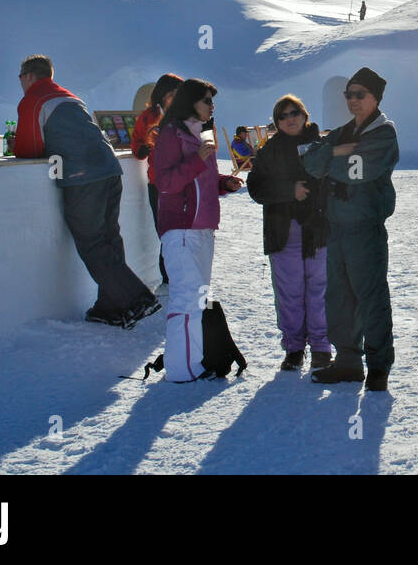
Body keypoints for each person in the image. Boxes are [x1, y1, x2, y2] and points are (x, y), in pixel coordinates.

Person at [13, 54, 158, 327]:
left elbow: (27, 148)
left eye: (20, 76)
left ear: (29, 76)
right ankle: (110, 308)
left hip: (83, 176)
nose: (19, 82)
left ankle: (136, 299)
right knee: (109, 238)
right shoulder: (70, 97)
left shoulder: (35, 98)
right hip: (111, 169)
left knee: (91, 242)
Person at [300, 67, 399, 392]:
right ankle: (348, 362)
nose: (353, 100)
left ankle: (378, 367)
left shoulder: (383, 134)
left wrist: (331, 156)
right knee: (340, 296)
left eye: (360, 94)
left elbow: (359, 171)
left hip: (364, 227)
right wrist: (334, 151)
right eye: (349, 94)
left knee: (370, 297)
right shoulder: (343, 132)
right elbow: (311, 165)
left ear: (375, 98)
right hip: (336, 226)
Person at [153, 79, 245, 381]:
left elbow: (199, 179)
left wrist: (222, 183)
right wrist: (197, 160)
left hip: (203, 226)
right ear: (190, 101)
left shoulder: (200, 132)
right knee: (186, 298)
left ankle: (192, 362)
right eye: (207, 100)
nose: (211, 106)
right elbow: (165, 183)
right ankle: (182, 369)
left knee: (197, 298)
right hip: (181, 228)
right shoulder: (170, 134)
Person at [246, 94, 332, 373]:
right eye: (282, 116)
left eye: (294, 112)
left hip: (318, 231)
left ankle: (321, 347)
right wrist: (289, 191)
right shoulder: (269, 150)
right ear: (276, 122)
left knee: (319, 290)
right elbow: (256, 188)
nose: (289, 119)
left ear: (304, 115)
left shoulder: (321, 145)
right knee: (289, 292)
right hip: (283, 232)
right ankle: (294, 348)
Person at [130, 72, 182, 283]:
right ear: (163, 94)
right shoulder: (148, 116)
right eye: (174, 94)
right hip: (158, 183)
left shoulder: (188, 115)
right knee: (166, 231)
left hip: (183, 181)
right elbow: (136, 143)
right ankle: (169, 275)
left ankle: (183, 270)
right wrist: (143, 149)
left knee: (184, 229)